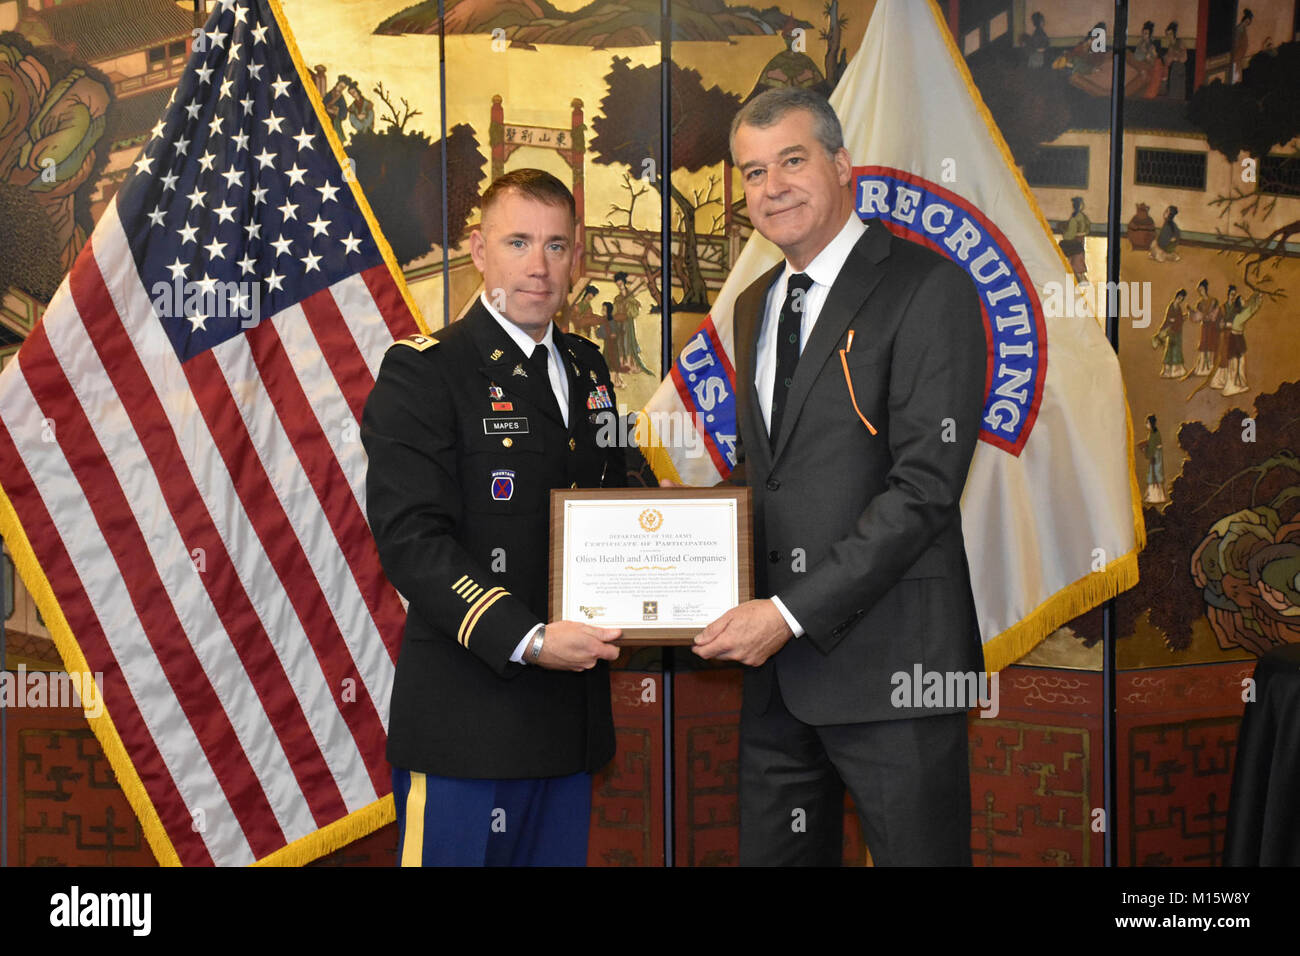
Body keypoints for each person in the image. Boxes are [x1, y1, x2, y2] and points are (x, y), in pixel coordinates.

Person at [693, 88, 986, 865]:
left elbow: (924, 487)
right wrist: (674, 545)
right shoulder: (756, 302)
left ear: (844, 165)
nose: (772, 187)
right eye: (752, 173)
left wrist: (787, 613)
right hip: (776, 684)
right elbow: (773, 476)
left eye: (792, 161)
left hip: (897, 673)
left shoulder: (929, 287)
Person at [360, 168, 626, 866]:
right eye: (518, 241)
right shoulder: (427, 370)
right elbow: (412, 542)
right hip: (467, 718)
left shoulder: (590, 368)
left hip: (570, 723)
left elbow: (621, 508)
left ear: (578, 257)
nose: (539, 267)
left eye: (557, 245)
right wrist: (530, 637)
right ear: (479, 250)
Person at [1154, 288, 1188, 378]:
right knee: (1170, 350)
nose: (1180, 300)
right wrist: (1162, 329)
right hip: (1171, 331)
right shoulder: (1171, 307)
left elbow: (1178, 319)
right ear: (1176, 297)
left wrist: (1182, 318)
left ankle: (1177, 371)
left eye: (1181, 299)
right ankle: (1168, 371)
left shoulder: (1179, 308)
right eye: (1179, 298)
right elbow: (1168, 319)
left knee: (1177, 351)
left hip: (1178, 332)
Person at [1060, 196, 1090, 280]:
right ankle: (1078, 276)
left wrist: (1064, 231)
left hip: (1075, 240)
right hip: (1079, 239)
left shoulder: (1075, 218)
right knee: (1078, 256)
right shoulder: (1081, 216)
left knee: (1077, 257)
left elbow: (1070, 233)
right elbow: (1087, 226)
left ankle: (1078, 276)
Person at [1141, 415, 1166, 504]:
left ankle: (1155, 497)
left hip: (1155, 457)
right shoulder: (1154, 433)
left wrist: (1145, 450)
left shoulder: (1154, 434)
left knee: (1154, 475)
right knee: (1154, 475)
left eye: (1147, 422)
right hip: (1156, 456)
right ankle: (1154, 496)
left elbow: (1151, 448)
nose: (1146, 424)